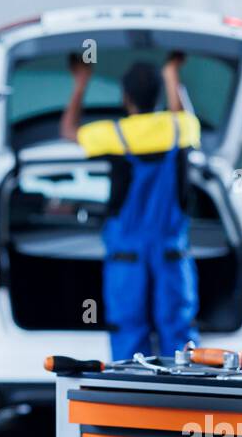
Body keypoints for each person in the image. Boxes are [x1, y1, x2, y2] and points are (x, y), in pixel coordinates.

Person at [59, 51, 199, 360]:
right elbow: (185, 117)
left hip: (127, 257)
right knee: (180, 336)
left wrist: (81, 82)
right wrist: (172, 76)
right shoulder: (179, 128)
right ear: (160, 93)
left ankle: (131, 401)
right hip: (170, 254)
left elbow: (68, 131)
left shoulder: (114, 134)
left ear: (125, 97)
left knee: (128, 336)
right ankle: (187, 402)